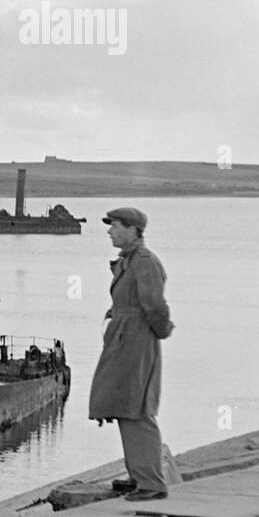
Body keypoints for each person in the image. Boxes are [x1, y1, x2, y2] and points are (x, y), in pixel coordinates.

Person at [88, 207, 174, 500]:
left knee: (138, 410)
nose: (109, 231)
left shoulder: (144, 262)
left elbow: (156, 307)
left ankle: (151, 483)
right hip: (125, 339)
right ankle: (139, 474)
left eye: (114, 226)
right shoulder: (130, 260)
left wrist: (160, 331)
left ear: (132, 229)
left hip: (136, 341)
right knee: (125, 407)